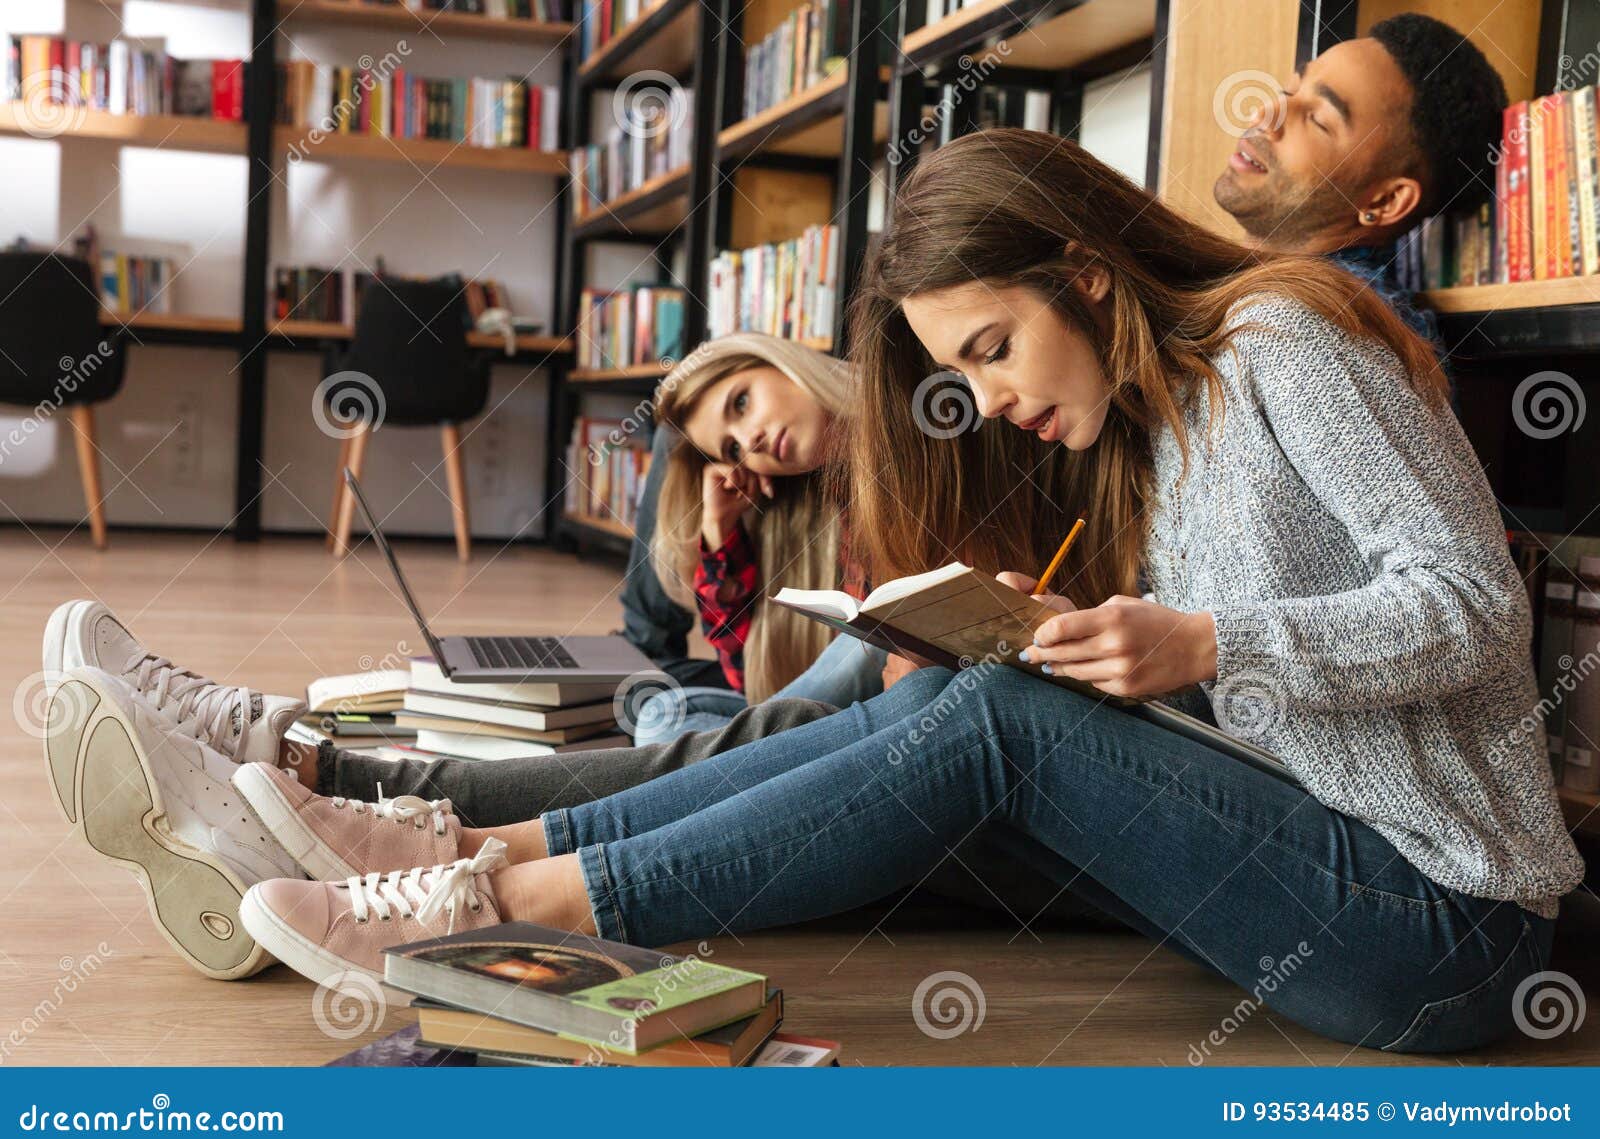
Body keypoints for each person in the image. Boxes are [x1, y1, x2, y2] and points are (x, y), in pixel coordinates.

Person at [48, 128, 1582, 1053]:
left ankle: (485, 905)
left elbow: (1474, 604)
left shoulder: (1286, 343)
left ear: (1088, 272)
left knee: (992, 724)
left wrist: (1200, 642)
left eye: (988, 350)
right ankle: (456, 837)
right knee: (963, 713)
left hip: (1445, 920)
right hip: (1315, 863)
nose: (980, 399)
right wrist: (1082, 636)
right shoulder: (1164, 427)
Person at [625, 333, 885, 744]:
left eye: (741, 403)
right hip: (832, 722)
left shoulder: (914, 419)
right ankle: (772, 757)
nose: (751, 442)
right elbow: (757, 682)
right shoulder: (802, 506)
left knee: (878, 632)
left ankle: (766, 758)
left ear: (778, 360)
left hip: (899, 706)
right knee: (661, 716)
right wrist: (722, 534)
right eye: (732, 449)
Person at [1213, 13, 1507, 343]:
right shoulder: (1251, 299)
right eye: (1289, 90)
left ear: (1386, 201)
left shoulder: (1316, 333)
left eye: (1319, 120)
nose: (1263, 114)